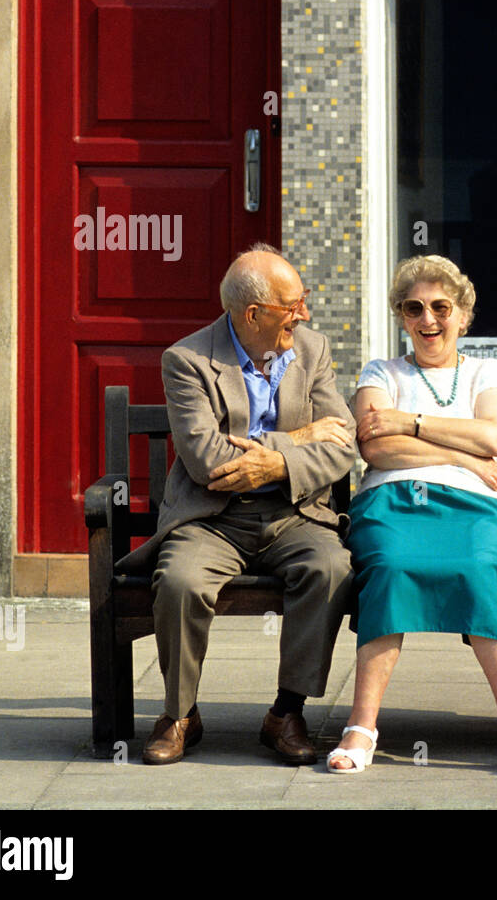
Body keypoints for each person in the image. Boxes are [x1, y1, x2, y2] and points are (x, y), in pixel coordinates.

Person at [118, 245, 357, 766]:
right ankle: (179, 713)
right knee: (180, 580)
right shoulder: (187, 360)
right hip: (212, 519)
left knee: (332, 566)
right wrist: (299, 438)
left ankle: (286, 713)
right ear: (254, 314)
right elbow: (208, 462)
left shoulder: (311, 349)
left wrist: (276, 459)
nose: (305, 314)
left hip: (295, 511)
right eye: (293, 305)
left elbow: (341, 444)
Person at [328, 254, 497, 776]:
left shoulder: (488, 370)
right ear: (401, 316)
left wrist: (408, 421)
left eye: (441, 307)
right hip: (394, 501)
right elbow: (377, 451)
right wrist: (461, 454)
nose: (429, 320)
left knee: (479, 566)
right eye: (414, 308)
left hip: (476, 510)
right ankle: (362, 725)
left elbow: (495, 435)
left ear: (463, 314)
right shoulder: (380, 371)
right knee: (390, 565)